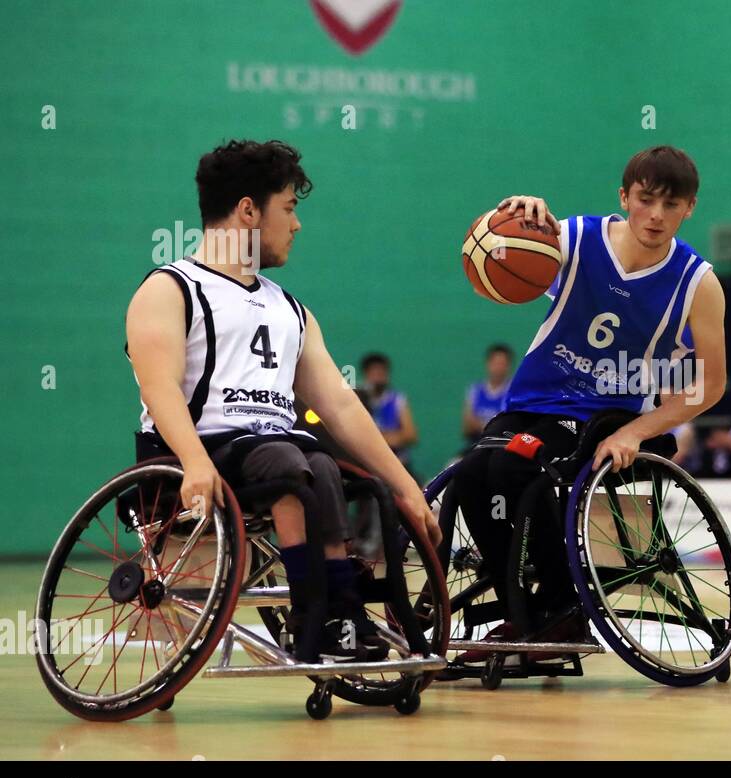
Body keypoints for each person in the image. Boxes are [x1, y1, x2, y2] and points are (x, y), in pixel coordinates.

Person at [125, 139, 439, 662]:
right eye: (289, 208)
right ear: (248, 209)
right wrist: (195, 462)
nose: (296, 225)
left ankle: (345, 611)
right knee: (293, 461)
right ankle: (315, 612)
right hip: (195, 452)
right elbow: (158, 388)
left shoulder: (291, 309)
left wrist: (406, 487)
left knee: (333, 468)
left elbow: (338, 406)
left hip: (278, 454)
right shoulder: (170, 288)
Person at [454, 145, 727, 659]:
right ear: (624, 197)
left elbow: (709, 386)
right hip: (533, 400)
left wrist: (638, 430)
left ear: (690, 208)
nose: (655, 215)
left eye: (671, 205)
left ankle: (561, 609)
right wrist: (517, 214)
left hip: (607, 416)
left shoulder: (699, 283)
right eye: (645, 200)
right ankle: (524, 607)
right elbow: (510, 244)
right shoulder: (573, 238)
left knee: (518, 470)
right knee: (471, 476)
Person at [359, 352, 419, 475]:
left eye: (381, 372)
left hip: (398, 462)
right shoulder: (357, 398)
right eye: (374, 372)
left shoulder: (397, 399)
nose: (378, 377)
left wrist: (375, 440)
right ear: (366, 374)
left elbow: (410, 435)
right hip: (366, 463)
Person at [462, 343, 513, 442]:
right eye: (496, 363)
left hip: (504, 445)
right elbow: (467, 428)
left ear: (509, 366)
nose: (499, 368)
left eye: (502, 364)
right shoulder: (475, 390)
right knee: (457, 458)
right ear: (488, 364)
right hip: (477, 443)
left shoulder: (513, 392)